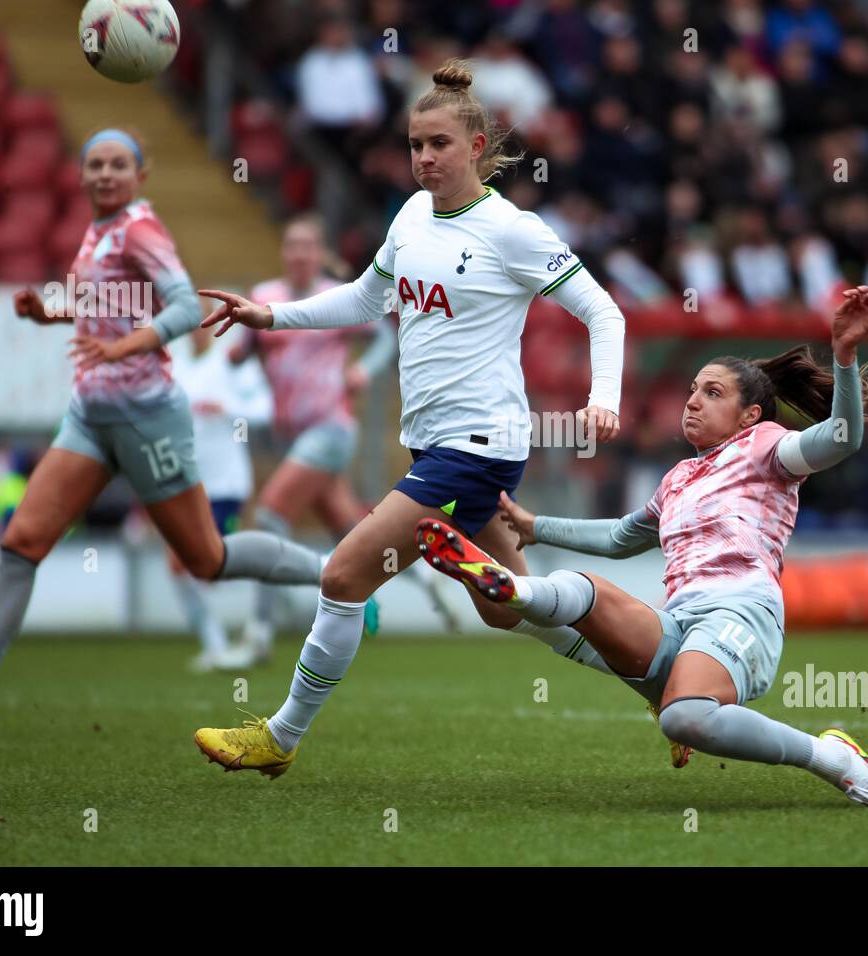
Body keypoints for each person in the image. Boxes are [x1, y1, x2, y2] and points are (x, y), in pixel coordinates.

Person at [193, 59, 626, 777]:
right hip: (440, 449)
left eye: (439, 145)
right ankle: (659, 680)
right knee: (507, 606)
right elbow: (366, 300)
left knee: (341, 577)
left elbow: (601, 310)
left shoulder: (511, 230)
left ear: (477, 147)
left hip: (476, 450)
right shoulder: (413, 215)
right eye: (415, 145)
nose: (424, 158)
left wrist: (602, 398)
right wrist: (269, 315)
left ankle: (281, 735)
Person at [0, 128, 327, 730]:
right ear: (80, 174)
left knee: (206, 558)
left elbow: (182, 306)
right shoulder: (100, 233)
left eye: (118, 165)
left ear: (140, 175)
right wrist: (52, 313)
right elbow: (110, 305)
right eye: (95, 164)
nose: (104, 174)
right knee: (22, 543)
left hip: (146, 416)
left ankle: (332, 575)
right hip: (90, 417)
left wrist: (127, 347)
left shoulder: (140, 229)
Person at [417, 286, 868, 808]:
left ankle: (836, 759)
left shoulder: (765, 447)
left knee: (683, 716)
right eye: (693, 391)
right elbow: (617, 537)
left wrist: (844, 357)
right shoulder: (677, 478)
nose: (694, 400)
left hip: (742, 614)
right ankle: (516, 591)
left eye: (713, 393)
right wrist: (536, 527)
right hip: (680, 620)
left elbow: (841, 438)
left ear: (751, 415)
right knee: (585, 597)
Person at [231, 213, 455, 660]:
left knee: (271, 516)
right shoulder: (266, 296)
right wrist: (241, 350)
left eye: (305, 247)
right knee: (353, 532)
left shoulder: (331, 299)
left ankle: (258, 633)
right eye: (290, 246)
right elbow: (248, 348)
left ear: (318, 254)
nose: (297, 254)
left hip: (330, 428)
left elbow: (382, 338)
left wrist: (362, 370)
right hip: (290, 435)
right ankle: (424, 573)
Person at [167, 321, 273, 672]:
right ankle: (215, 645)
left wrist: (225, 407)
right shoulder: (176, 366)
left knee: (217, 564)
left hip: (225, 484)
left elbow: (264, 409)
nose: (196, 330)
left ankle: (271, 606)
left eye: (203, 322)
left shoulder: (232, 362)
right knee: (179, 564)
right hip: (185, 483)